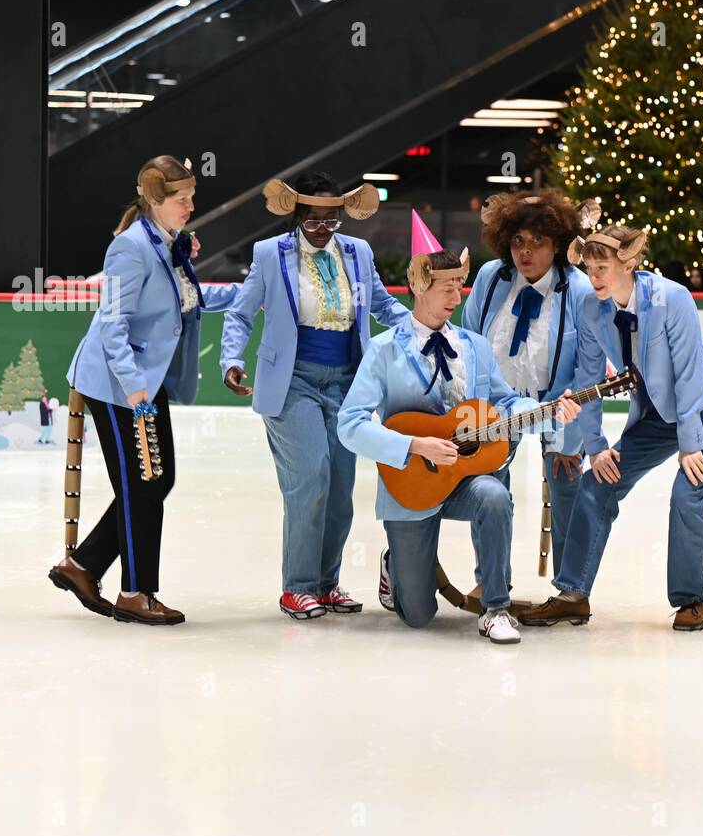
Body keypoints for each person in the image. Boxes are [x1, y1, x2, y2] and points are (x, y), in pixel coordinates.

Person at [337, 246, 580, 645]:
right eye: (446, 289)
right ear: (417, 286)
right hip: (410, 485)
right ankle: (396, 564)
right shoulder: (384, 350)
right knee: (417, 616)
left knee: (495, 494)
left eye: (459, 288)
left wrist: (548, 411)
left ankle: (496, 608)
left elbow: (503, 404)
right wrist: (414, 445)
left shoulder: (475, 347)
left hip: (466, 481)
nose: (456, 299)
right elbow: (350, 424)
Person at [519, 225, 703, 633]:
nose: (594, 278)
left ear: (629, 264)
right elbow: (589, 378)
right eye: (589, 268)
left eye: (603, 267)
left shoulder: (672, 298)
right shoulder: (593, 309)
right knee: (597, 483)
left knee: (687, 492)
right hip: (661, 411)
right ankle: (573, 595)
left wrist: (691, 443)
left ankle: (690, 600)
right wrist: (596, 447)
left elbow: (688, 375)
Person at [48, 155, 240, 625]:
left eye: (193, 196)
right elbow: (112, 325)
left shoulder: (169, 243)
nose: (192, 205)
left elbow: (188, 298)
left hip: (142, 382)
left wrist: (248, 292)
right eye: (183, 198)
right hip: (117, 384)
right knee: (142, 485)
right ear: (156, 199)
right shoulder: (131, 249)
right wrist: (135, 389)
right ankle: (136, 592)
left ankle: (84, 564)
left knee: (157, 480)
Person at [221, 172, 410, 620]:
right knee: (311, 478)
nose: (324, 230)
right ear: (297, 216)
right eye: (314, 222)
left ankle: (326, 584)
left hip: (348, 383)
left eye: (332, 221)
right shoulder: (270, 255)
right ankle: (298, 587)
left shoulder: (358, 254)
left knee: (341, 488)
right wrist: (232, 359)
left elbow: (383, 306)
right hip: (292, 382)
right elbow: (240, 313)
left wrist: (420, 328)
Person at [461, 190, 594, 583]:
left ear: (558, 244)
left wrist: (570, 438)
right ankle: (491, 583)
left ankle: (571, 590)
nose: (526, 251)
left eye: (539, 241)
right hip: (497, 404)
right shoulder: (491, 278)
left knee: (567, 487)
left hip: (559, 406)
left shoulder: (579, 289)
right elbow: (468, 341)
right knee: (488, 489)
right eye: (518, 240)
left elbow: (587, 366)